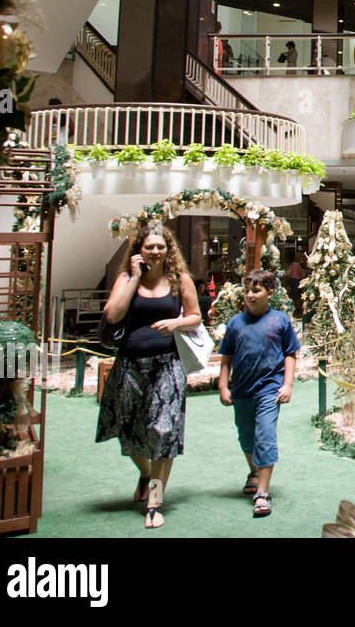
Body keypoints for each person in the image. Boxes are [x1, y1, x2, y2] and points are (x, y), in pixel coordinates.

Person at [95, 220, 201, 529]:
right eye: (149, 247)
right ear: (138, 251)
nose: (155, 251)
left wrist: (175, 324)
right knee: (127, 431)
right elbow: (113, 314)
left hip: (168, 364)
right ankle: (145, 473)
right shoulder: (127, 278)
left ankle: (155, 500)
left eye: (160, 247)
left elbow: (195, 317)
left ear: (169, 250)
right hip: (130, 365)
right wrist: (134, 277)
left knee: (163, 432)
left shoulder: (180, 280)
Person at [217, 270, 300, 519]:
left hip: (269, 390)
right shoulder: (235, 324)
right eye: (247, 291)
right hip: (242, 390)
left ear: (269, 293)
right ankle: (254, 472)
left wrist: (287, 385)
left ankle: (262, 492)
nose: (250, 296)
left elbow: (291, 353)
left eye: (256, 291)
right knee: (246, 436)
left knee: (265, 435)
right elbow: (226, 357)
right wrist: (223, 386)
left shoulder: (280, 321)